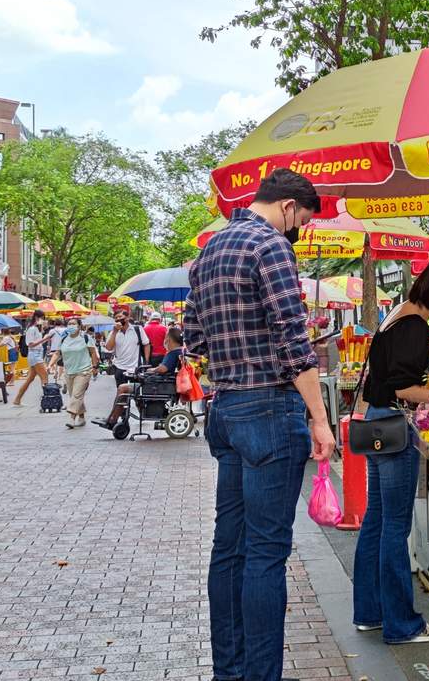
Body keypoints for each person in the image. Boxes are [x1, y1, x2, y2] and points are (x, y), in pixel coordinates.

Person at [182, 168, 337, 681]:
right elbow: (294, 344)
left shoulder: (210, 249)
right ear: (290, 207)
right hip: (270, 408)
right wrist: (320, 418)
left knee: (230, 547)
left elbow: (194, 339)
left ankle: (230, 671)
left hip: (226, 411)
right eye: (303, 222)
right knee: (268, 553)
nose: (299, 232)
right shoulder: (270, 246)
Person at [352, 254, 429, 646]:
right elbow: (403, 386)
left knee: (377, 521)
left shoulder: (396, 315)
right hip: (395, 427)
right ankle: (403, 624)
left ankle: (370, 612)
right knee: (393, 528)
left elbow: (389, 376)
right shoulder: (415, 325)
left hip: (376, 424)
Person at [94, 328, 183, 429]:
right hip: (160, 384)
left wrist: (151, 370)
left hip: (158, 386)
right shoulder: (178, 352)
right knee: (125, 388)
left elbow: (163, 369)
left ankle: (112, 419)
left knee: (123, 388)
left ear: (169, 339)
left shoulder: (172, 353)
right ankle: (113, 419)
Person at [49, 319, 99, 429]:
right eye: (69, 324)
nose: (71, 326)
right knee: (75, 395)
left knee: (76, 395)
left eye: (74, 324)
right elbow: (58, 353)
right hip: (69, 371)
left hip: (84, 371)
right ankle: (81, 417)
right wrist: (50, 364)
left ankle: (71, 418)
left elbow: (93, 353)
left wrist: (95, 367)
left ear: (79, 326)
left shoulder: (85, 338)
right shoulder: (64, 338)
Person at [12, 310, 49, 406]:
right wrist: (45, 339)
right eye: (43, 318)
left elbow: (36, 343)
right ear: (37, 317)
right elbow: (31, 344)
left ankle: (17, 399)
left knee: (30, 379)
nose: (44, 320)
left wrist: (44, 338)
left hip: (36, 354)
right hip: (35, 355)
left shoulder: (36, 329)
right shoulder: (32, 329)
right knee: (44, 376)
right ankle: (48, 400)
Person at [106, 312, 149, 388]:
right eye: (116, 318)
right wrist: (115, 332)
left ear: (127, 318)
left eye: (120, 316)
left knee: (136, 392)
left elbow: (146, 344)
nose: (118, 319)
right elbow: (109, 348)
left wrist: (146, 360)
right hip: (119, 368)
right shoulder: (113, 332)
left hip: (135, 368)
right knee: (121, 392)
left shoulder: (138, 329)